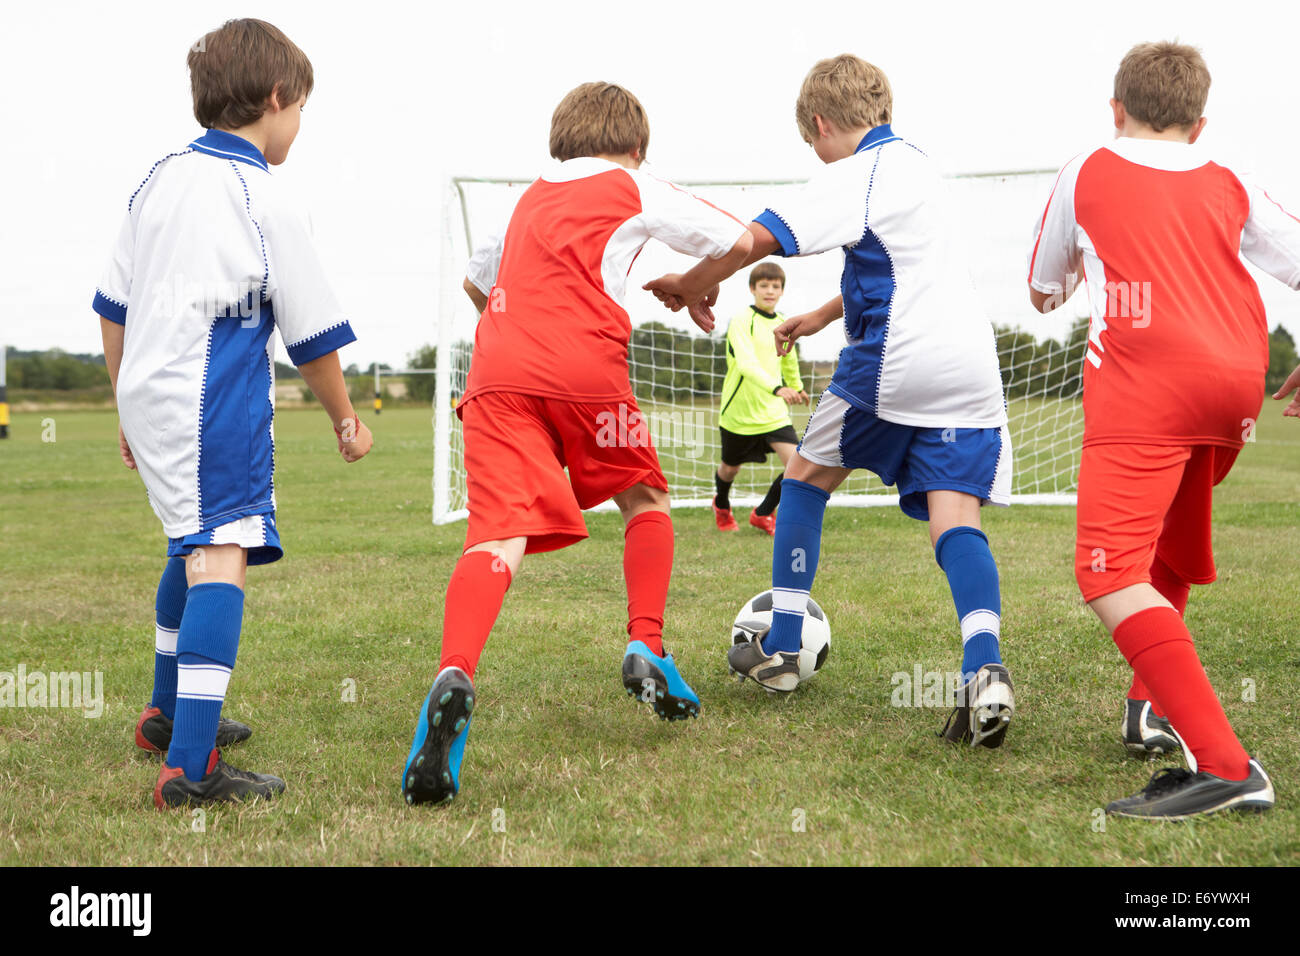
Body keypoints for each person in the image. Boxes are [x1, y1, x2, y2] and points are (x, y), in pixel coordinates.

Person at [646, 55, 1014, 749]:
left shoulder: (855, 172)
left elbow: (753, 239)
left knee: (804, 480)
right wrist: (817, 317)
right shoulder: (921, 167)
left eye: (812, 140)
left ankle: (783, 646)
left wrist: (693, 284)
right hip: (970, 366)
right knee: (955, 519)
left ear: (821, 124)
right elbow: (905, 265)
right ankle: (983, 667)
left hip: (896, 359)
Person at [402, 82, 752, 807]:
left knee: (494, 537)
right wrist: (690, 286)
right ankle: (645, 643)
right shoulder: (632, 182)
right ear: (635, 145)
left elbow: (479, 284)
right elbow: (742, 239)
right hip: (588, 374)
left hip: (499, 375)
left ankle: (455, 671)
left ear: (561, 140)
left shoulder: (528, 197)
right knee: (646, 496)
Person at [93, 18, 372, 809]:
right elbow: (313, 336)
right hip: (211, 404)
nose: (299, 126)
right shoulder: (262, 198)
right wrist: (346, 419)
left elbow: (112, 305)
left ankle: (165, 712)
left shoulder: (158, 179)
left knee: (188, 539)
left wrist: (124, 403)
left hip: (152, 398)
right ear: (277, 97)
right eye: (301, 110)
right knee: (223, 549)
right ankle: (189, 767)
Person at [1029, 40, 1300, 818]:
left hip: (1147, 384)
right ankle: (1150, 708)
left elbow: (1043, 288)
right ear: (1200, 123)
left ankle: (1226, 766)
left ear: (1115, 111)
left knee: (1109, 571)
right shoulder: (1230, 176)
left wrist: (1081, 271)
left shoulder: (1089, 167)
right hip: (1233, 385)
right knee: (1169, 551)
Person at [712, 262, 808, 535]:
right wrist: (777, 388)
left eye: (775, 286)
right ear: (752, 289)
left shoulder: (783, 323)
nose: (769, 291)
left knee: (798, 465)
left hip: (773, 413)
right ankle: (721, 504)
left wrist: (796, 386)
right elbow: (745, 364)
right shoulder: (742, 320)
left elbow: (788, 359)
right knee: (730, 470)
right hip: (739, 413)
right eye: (763, 285)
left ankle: (763, 513)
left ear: (781, 291)